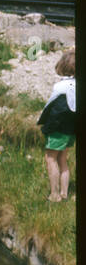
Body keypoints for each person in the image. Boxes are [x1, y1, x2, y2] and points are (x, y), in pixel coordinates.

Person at [39, 48, 75, 202]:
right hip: (71, 130)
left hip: (58, 130)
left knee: (51, 159)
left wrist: (46, 128)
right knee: (63, 160)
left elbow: (55, 112)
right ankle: (64, 193)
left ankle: (54, 195)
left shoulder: (60, 88)